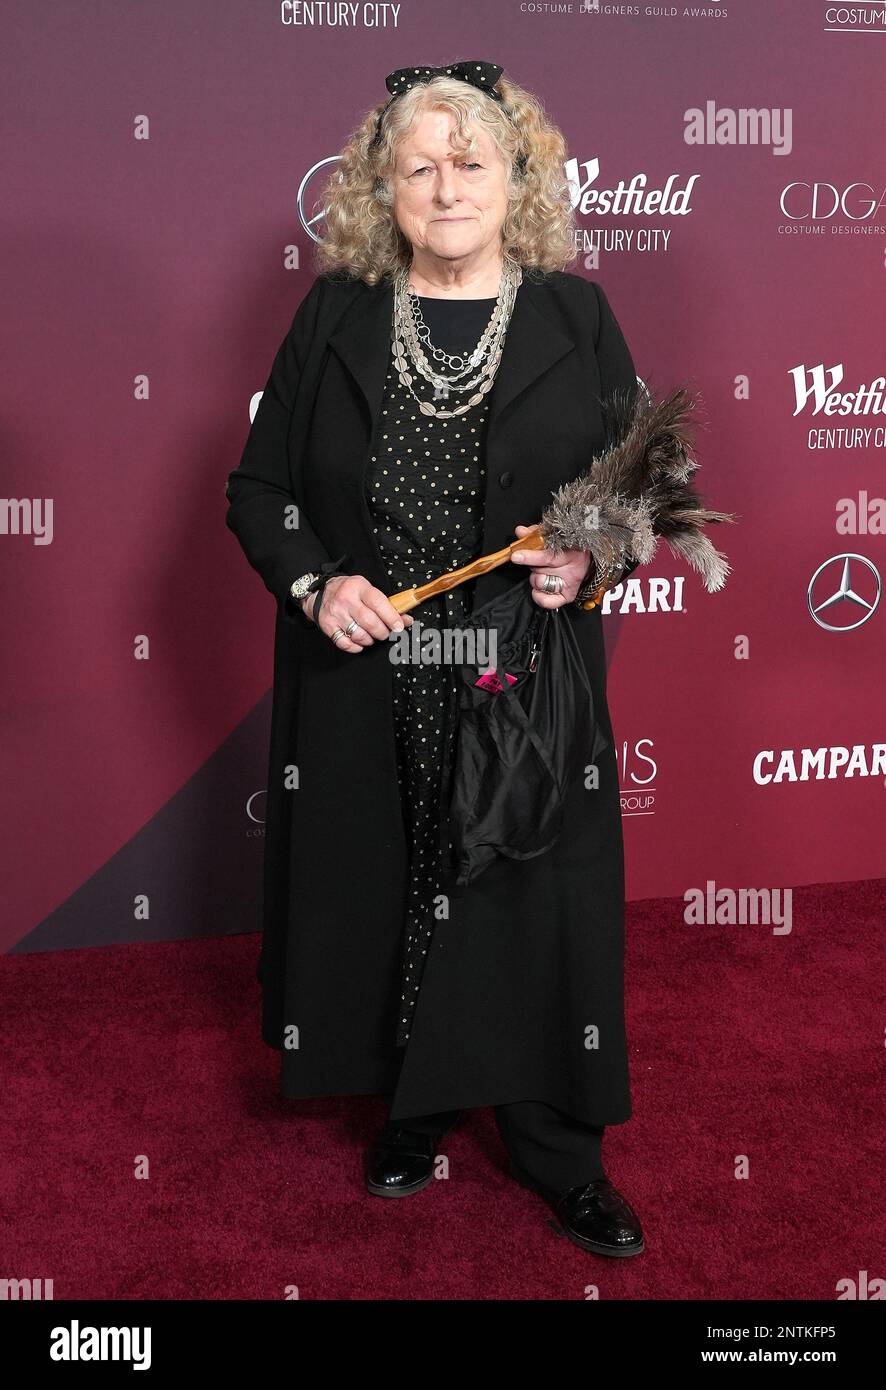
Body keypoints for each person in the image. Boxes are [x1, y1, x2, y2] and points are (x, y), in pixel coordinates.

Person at [225, 60, 644, 1258]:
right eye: (420, 165)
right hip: (370, 673)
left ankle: (560, 1149)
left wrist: (590, 564)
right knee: (397, 881)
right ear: (382, 189)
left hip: (523, 676)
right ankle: (413, 1108)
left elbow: (640, 494)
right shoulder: (335, 316)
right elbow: (258, 492)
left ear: (515, 179)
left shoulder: (576, 312)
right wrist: (317, 582)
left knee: (531, 899)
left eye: (471, 162)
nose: (446, 184)